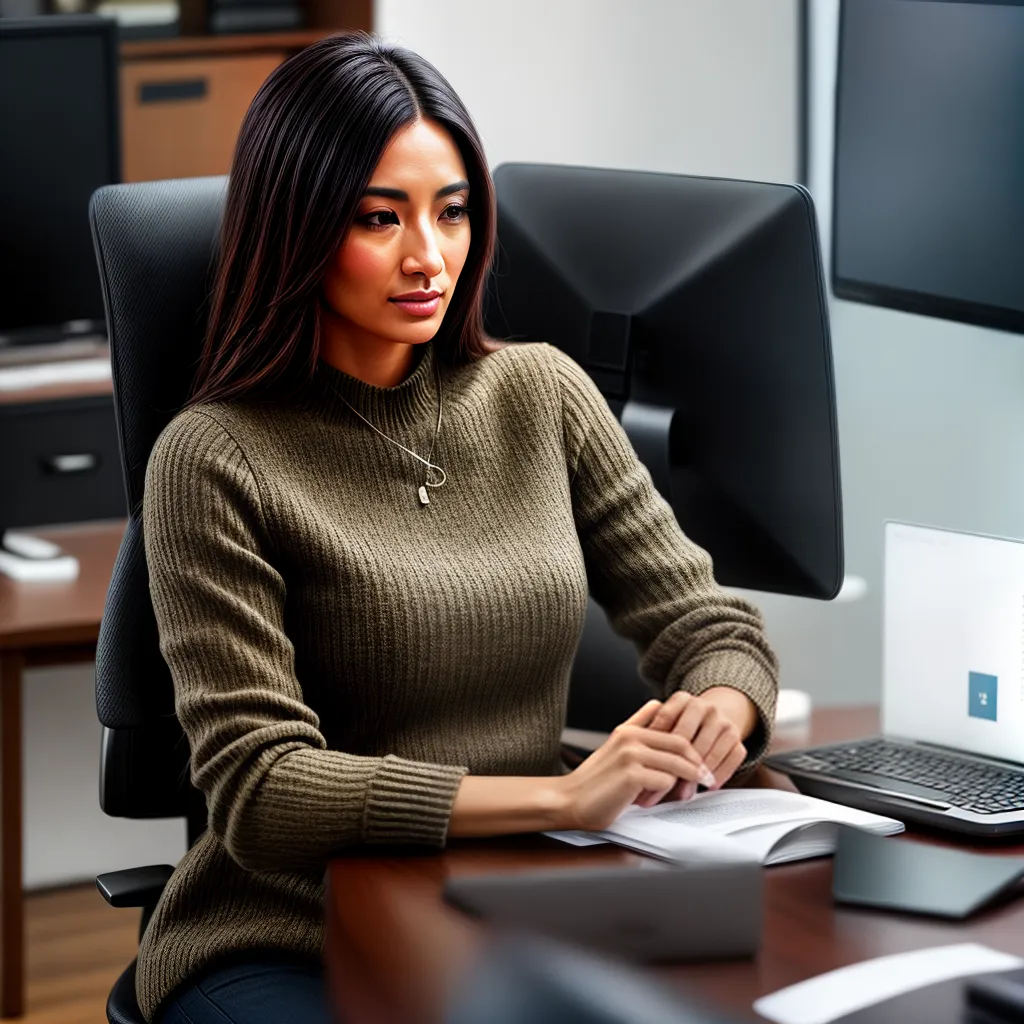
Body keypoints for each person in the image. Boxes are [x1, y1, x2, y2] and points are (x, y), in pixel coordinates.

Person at [141, 30, 779, 1024]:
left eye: (452, 212)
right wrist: (564, 799)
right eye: (377, 218)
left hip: (516, 903)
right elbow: (262, 789)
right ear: (297, 228)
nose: (427, 257)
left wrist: (719, 710)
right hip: (286, 934)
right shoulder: (215, 457)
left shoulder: (541, 392)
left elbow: (713, 628)